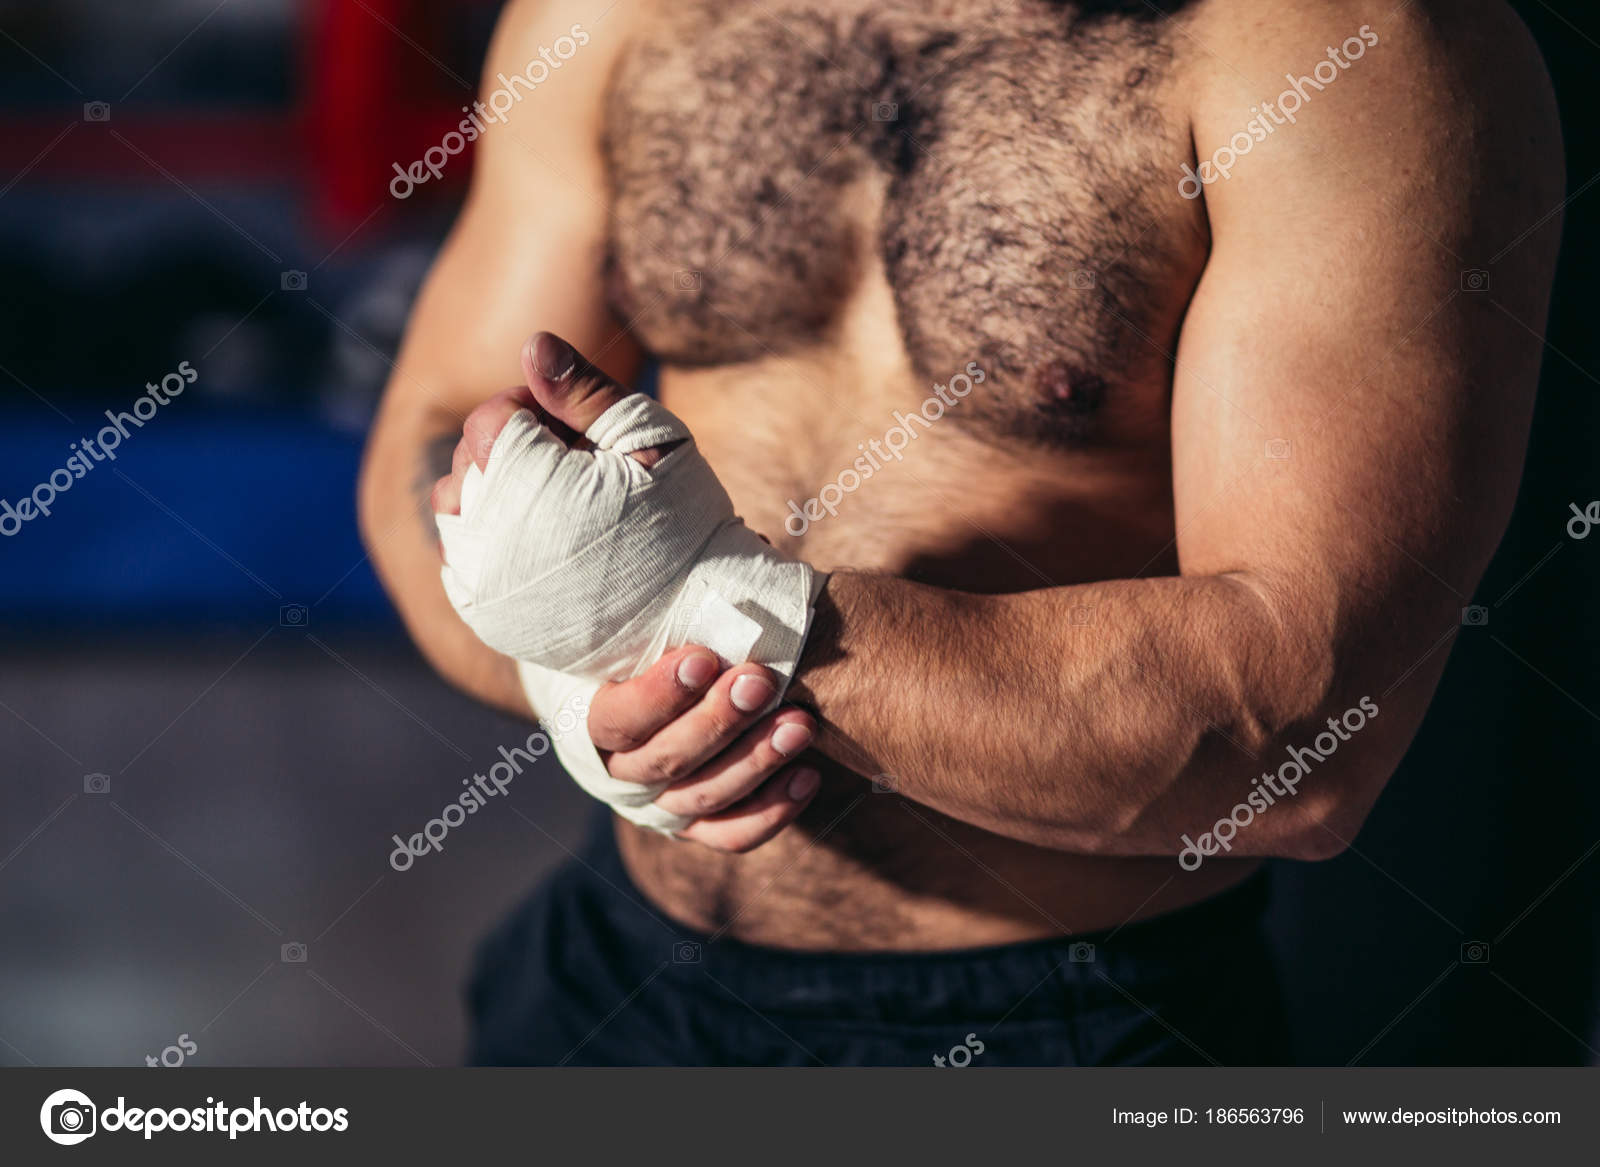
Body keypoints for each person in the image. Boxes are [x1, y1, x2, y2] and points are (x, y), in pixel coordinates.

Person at [358, 0, 1563, 1065]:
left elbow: (1299, 718)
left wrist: (677, 615)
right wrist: (583, 684)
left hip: (1057, 1027)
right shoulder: (620, 14)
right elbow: (434, 425)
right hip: (613, 975)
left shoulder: (1351, 47)